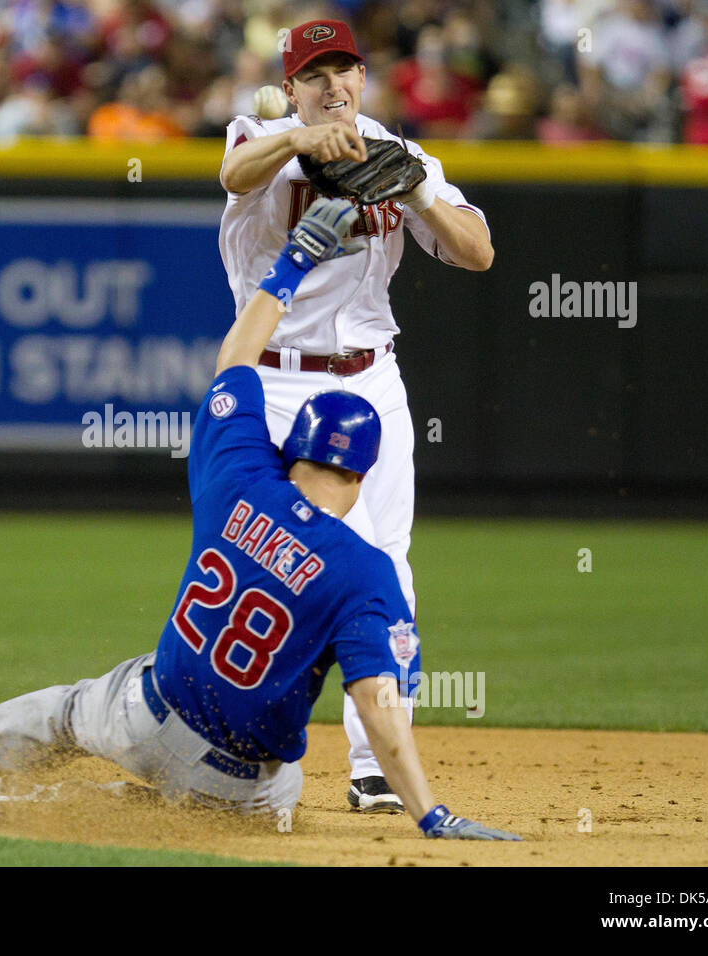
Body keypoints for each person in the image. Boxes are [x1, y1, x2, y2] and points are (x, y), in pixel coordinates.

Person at [0, 197, 520, 842]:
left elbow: (237, 361)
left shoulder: (238, 477)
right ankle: (133, 813)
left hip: (144, 717)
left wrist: (293, 263)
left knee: (65, 715)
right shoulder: (367, 574)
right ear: (363, 475)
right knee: (282, 795)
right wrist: (431, 815)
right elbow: (378, 706)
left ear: (291, 445)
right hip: (239, 784)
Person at [217, 19, 493, 814]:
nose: (332, 85)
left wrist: (413, 190)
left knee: (388, 564)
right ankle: (239, 746)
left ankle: (377, 761)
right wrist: (302, 141)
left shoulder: (399, 154)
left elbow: (478, 253)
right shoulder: (260, 135)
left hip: (370, 380)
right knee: (270, 561)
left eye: (344, 71)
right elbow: (237, 173)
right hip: (272, 380)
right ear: (293, 86)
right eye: (315, 74)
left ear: (363, 77)